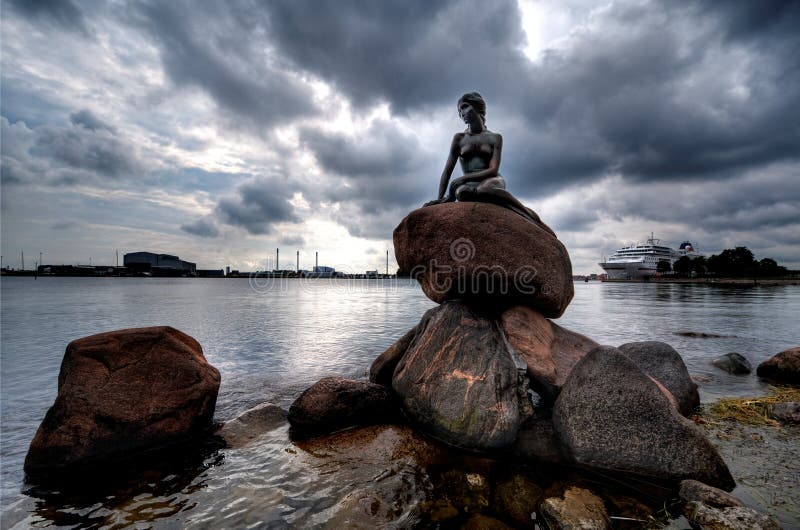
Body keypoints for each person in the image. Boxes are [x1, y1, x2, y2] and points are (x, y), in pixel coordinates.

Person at [424, 92, 553, 234]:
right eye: (459, 110)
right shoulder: (459, 138)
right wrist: (440, 199)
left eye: (465, 107)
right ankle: (515, 209)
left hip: (492, 179)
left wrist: (463, 178)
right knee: (461, 193)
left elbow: (493, 169)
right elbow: (447, 171)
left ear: (477, 107)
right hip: (470, 184)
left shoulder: (494, 138)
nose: (461, 113)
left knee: (484, 190)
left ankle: (530, 217)